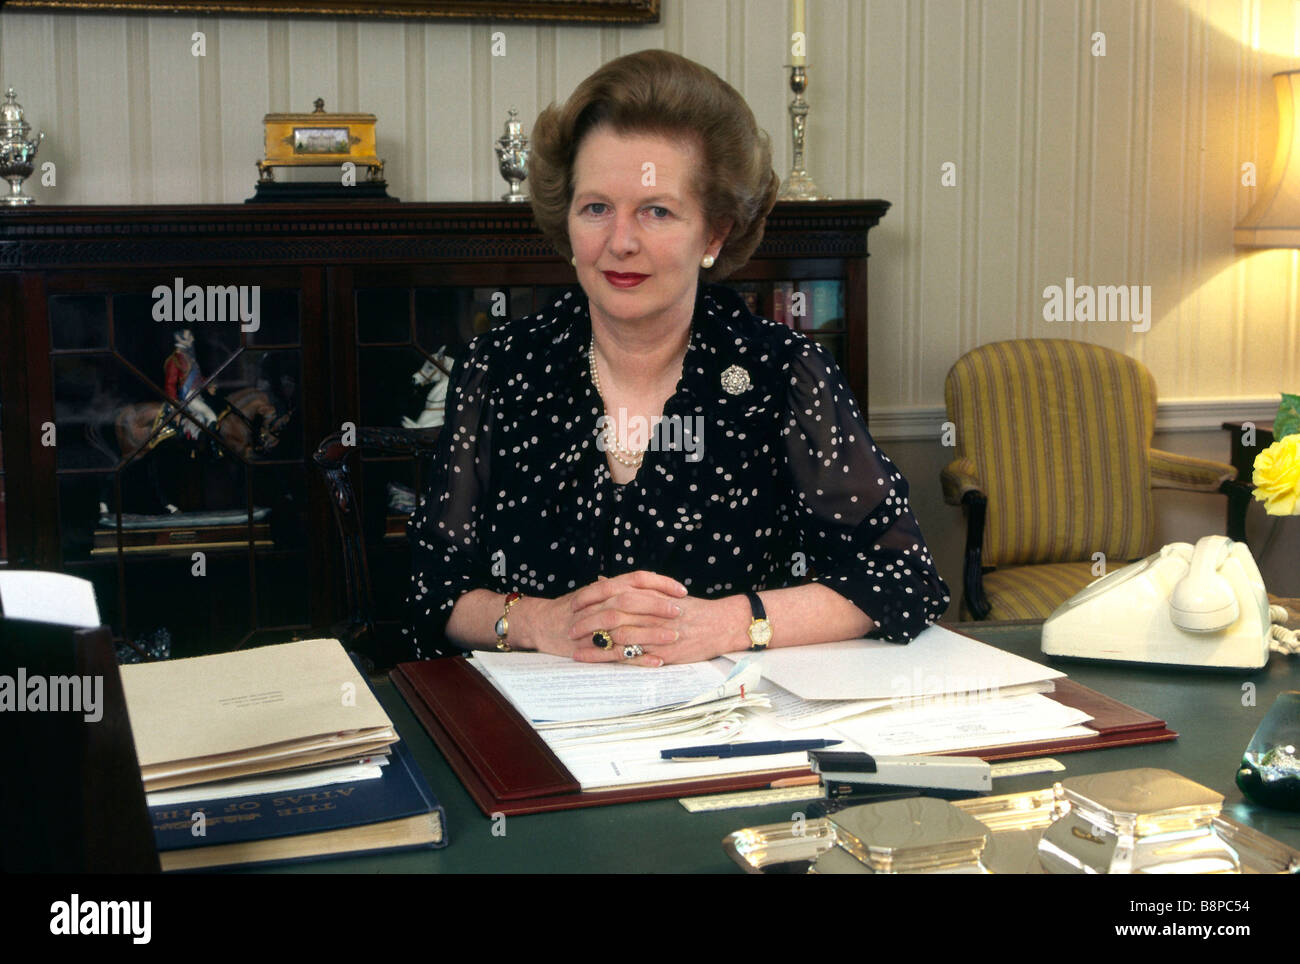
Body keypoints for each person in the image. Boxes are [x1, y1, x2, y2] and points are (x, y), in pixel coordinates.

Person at [405, 49, 949, 666]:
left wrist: (727, 624)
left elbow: (901, 577)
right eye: (596, 208)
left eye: (657, 211)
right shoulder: (499, 367)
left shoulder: (782, 372)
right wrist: (538, 621)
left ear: (713, 233)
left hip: (730, 730)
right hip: (536, 732)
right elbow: (432, 591)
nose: (621, 242)